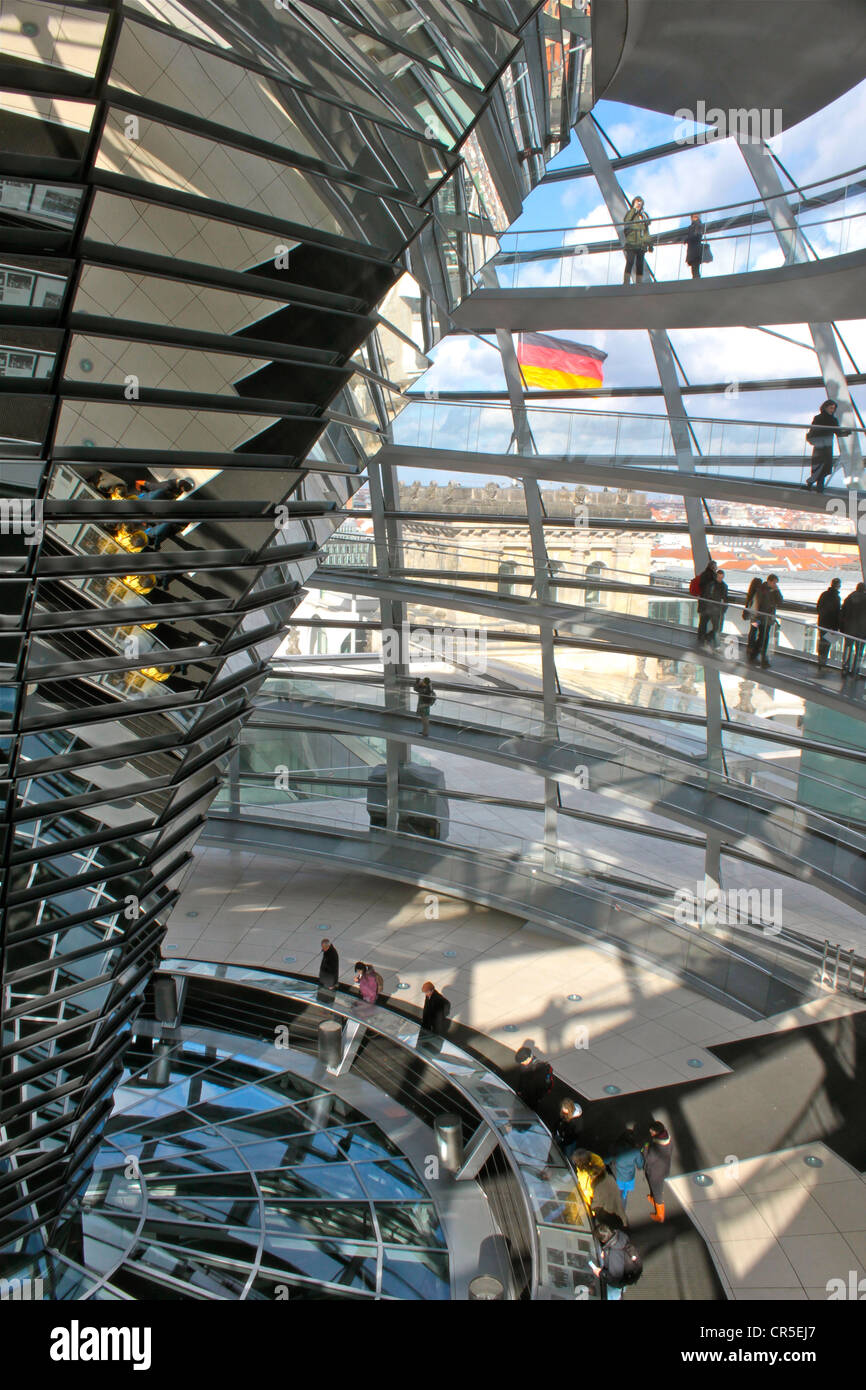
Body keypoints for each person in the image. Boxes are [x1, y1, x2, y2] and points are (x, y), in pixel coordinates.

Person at [805, 400, 852, 492]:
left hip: (823, 446)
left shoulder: (825, 419)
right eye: (831, 408)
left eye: (834, 408)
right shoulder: (828, 419)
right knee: (821, 466)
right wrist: (847, 432)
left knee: (822, 466)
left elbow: (837, 432)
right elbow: (838, 432)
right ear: (825, 407)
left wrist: (847, 432)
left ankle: (813, 483)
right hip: (823, 446)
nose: (832, 410)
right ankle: (817, 486)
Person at [589, 1222, 642, 1301]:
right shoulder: (620, 1235)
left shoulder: (614, 1254)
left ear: (602, 1240)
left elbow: (614, 1279)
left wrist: (600, 1273)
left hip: (618, 1283)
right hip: (626, 1272)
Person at [746, 574, 783, 667]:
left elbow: (780, 602)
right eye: (774, 582)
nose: (775, 584)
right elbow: (758, 604)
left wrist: (777, 591)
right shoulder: (761, 590)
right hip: (760, 618)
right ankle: (756, 655)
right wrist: (757, 616)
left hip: (766, 619)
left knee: (763, 637)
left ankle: (757, 654)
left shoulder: (773, 591)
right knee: (762, 637)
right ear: (769, 581)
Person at [606, 1125, 645, 1212]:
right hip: (629, 1177)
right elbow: (640, 1165)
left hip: (618, 1176)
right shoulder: (635, 1151)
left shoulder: (616, 1148)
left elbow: (608, 1159)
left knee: (618, 1192)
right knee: (624, 1195)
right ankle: (621, 1211)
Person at [643, 1119, 672, 1223]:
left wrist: (646, 1148)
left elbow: (648, 1159)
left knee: (658, 1192)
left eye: (651, 1131)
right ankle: (654, 1199)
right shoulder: (667, 1139)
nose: (650, 1133)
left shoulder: (656, 1147)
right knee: (656, 1189)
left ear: (656, 1132)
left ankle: (660, 1215)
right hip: (663, 1169)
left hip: (656, 1174)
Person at [622, 196, 651, 285]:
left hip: (641, 244)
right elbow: (626, 220)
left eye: (640, 202)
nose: (638, 204)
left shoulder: (643, 216)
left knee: (640, 264)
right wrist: (634, 209)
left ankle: (639, 282)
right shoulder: (631, 213)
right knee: (630, 261)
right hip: (632, 242)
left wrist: (650, 244)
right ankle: (626, 281)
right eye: (637, 202)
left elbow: (646, 231)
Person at [840, 581, 866, 677]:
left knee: (848, 648)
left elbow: (842, 613)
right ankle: (856, 671)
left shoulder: (849, 598)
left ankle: (845, 668)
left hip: (849, 629)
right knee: (859, 651)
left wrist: (842, 627)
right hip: (862, 631)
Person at [816, 577, 842, 671]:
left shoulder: (824, 594)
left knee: (822, 642)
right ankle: (823, 663)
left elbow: (818, 607)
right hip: (830, 625)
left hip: (822, 623)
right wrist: (835, 627)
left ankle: (820, 661)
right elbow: (836, 613)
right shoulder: (836, 598)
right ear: (838, 586)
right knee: (827, 644)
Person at [695, 559, 718, 644]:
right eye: (715, 566)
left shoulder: (704, 575)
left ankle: (701, 636)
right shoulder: (712, 576)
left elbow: (702, 587)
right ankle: (706, 637)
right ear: (713, 567)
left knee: (703, 621)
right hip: (709, 603)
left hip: (703, 601)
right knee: (715, 624)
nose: (716, 568)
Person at [683, 212, 705, 279]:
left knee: (695, 269)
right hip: (694, 250)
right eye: (694, 217)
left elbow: (698, 236)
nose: (694, 218)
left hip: (695, 250)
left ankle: (696, 281)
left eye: (696, 217)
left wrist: (687, 239)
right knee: (694, 269)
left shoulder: (697, 225)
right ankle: (696, 280)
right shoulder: (694, 226)